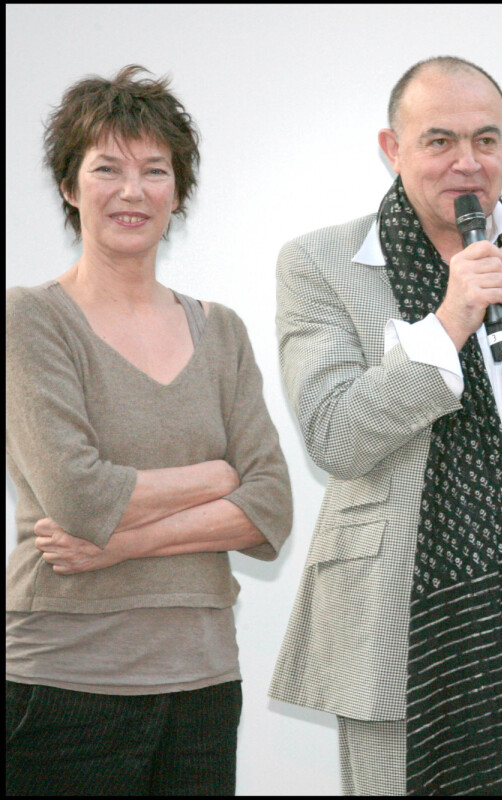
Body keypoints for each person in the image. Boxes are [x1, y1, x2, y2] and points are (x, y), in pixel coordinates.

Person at [269, 56, 502, 795]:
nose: (466, 162)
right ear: (391, 147)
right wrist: (447, 322)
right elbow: (335, 434)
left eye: (485, 140)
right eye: (438, 141)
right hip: (400, 624)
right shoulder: (320, 263)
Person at [5, 65, 292, 796]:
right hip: (62, 688)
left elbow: (273, 507)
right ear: (71, 187)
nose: (131, 191)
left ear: (177, 193)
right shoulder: (31, 320)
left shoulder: (220, 330)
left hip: (202, 685)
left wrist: (121, 541)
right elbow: (75, 493)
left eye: (154, 171)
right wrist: (217, 477)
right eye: (107, 168)